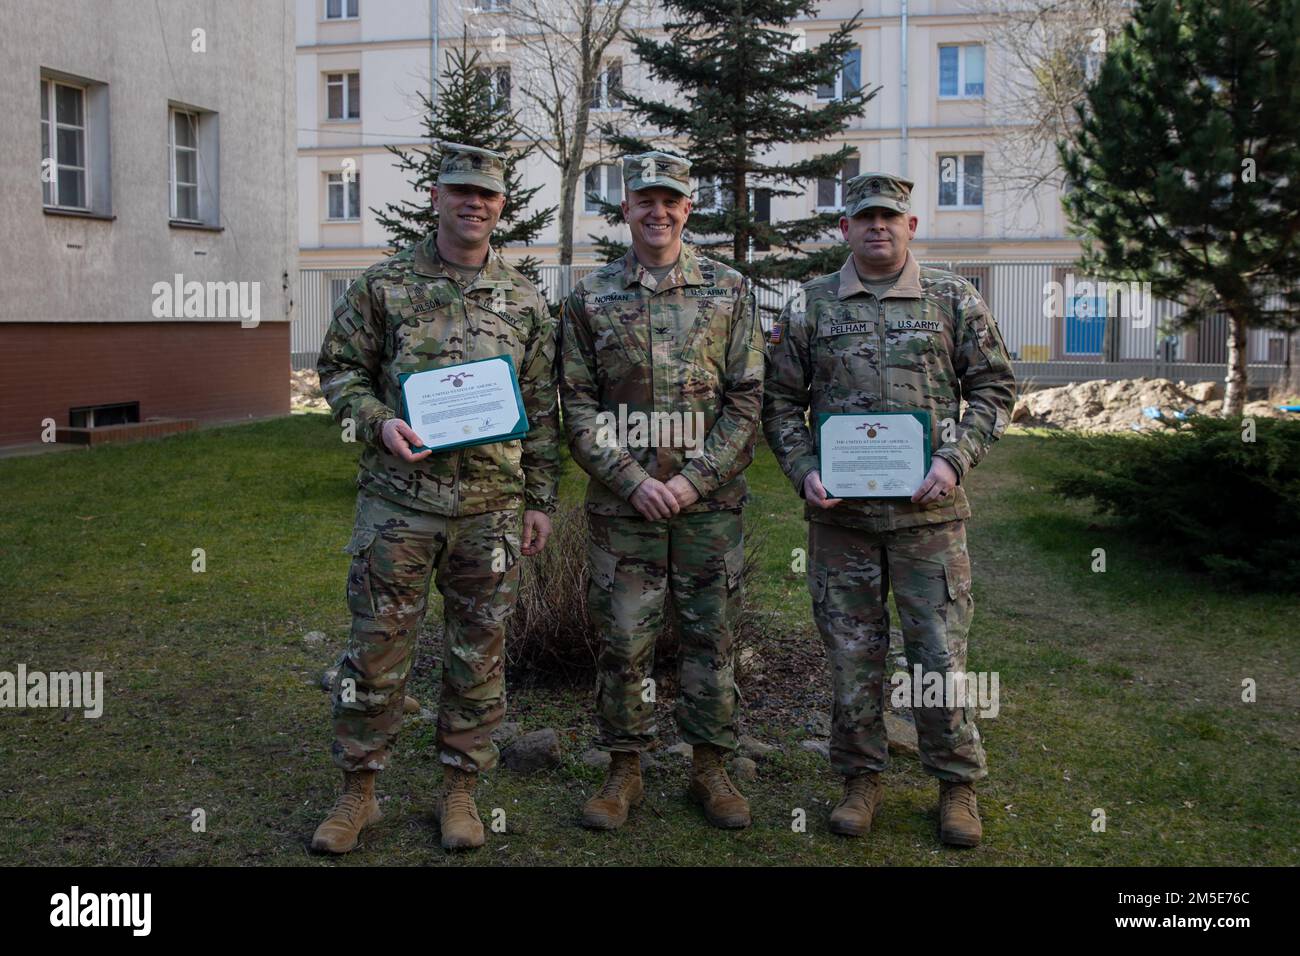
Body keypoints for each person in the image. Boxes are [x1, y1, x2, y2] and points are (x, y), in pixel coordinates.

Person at [312, 143, 559, 853]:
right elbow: (340, 371)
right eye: (460, 190)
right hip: (401, 504)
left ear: (501, 206)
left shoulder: (526, 300)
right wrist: (378, 421)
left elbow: (544, 406)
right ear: (436, 196)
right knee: (376, 650)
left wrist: (539, 497)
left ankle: (460, 790)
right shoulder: (384, 287)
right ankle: (359, 792)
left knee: (478, 654)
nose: (472, 203)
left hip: (491, 509)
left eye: (486, 194)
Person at [762, 172, 1016, 846]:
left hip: (928, 521)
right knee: (851, 657)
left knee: (938, 657)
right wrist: (804, 469)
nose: (878, 226)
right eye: (865, 216)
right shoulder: (811, 305)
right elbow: (781, 403)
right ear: (843, 229)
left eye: (890, 217)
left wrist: (952, 460)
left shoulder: (952, 298)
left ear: (911, 227)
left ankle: (956, 784)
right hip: (841, 523)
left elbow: (993, 388)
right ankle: (860, 778)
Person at [559, 151, 766, 830]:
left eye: (669, 200)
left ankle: (711, 766)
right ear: (626, 210)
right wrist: (633, 481)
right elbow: (576, 404)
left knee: (712, 638)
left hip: (709, 510)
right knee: (624, 640)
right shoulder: (590, 297)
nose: (658, 212)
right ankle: (624, 768)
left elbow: (747, 400)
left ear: (687, 207)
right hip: (625, 511)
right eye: (644, 200)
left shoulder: (729, 290)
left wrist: (692, 481)